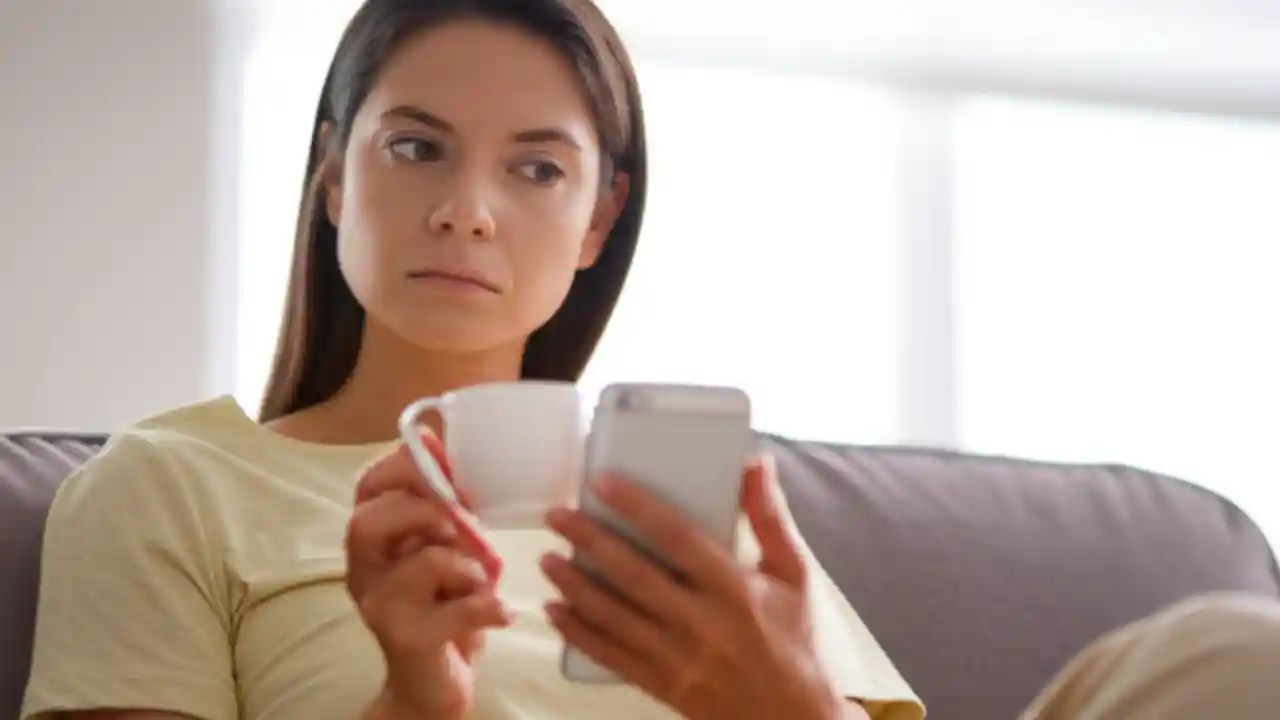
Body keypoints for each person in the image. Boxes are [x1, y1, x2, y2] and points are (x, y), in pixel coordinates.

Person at [20, 1, 1280, 720]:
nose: (468, 207)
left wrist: (782, 700)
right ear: (331, 180)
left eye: (534, 166)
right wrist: (413, 692)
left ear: (598, 221)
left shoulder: (689, 514)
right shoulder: (167, 485)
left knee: (1236, 656)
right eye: (416, 148)